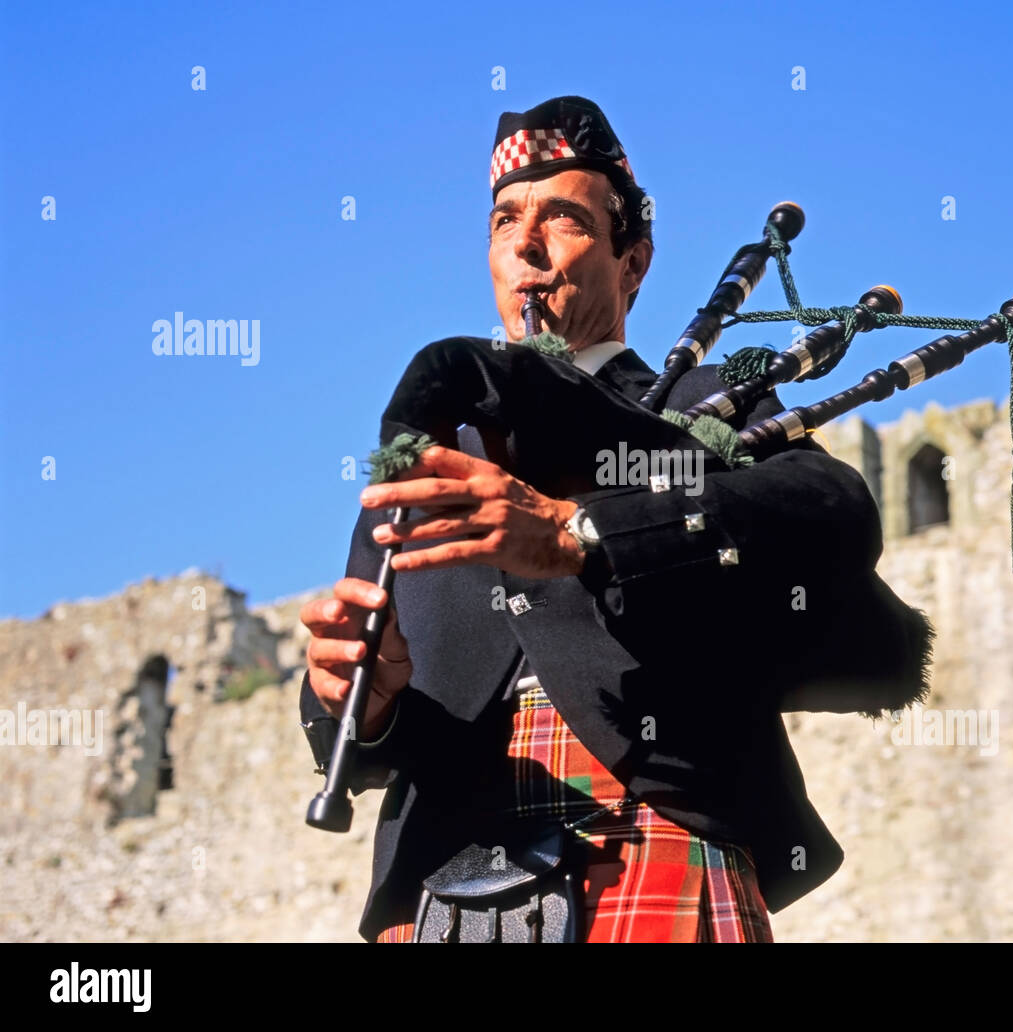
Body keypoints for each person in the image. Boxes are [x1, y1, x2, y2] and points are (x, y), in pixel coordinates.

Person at [298, 95, 931, 942]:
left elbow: (831, 512)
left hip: (647, 844)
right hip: (440, 888)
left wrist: (577, 536)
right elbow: (373, 748)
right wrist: (358, 701)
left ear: (631, 264)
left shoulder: (698, 409)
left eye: (563, 219)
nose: (525, 246)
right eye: (503, 222)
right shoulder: (432, 445)